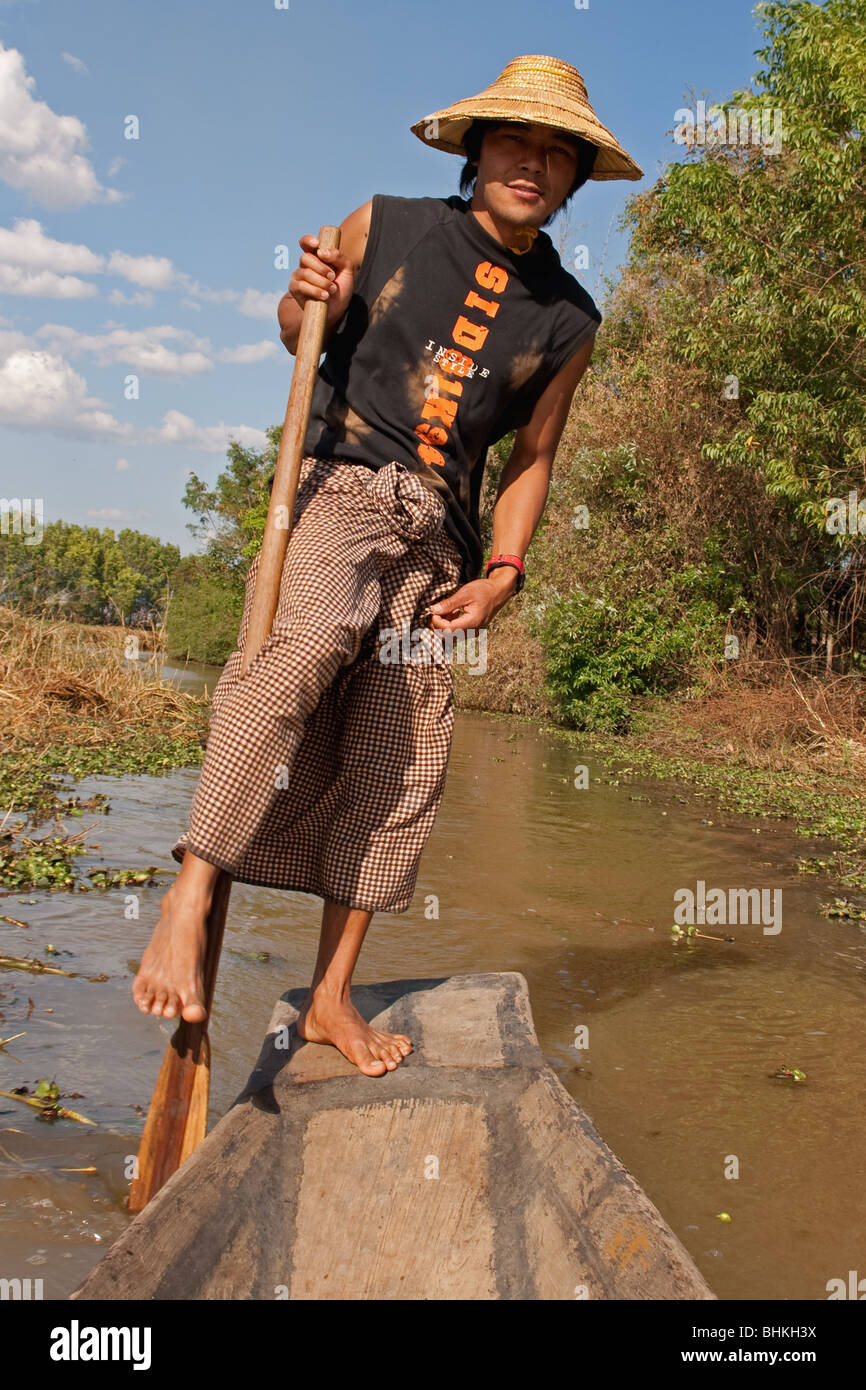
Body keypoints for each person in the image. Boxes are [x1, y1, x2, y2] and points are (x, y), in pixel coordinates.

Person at [132, 55, 642, 1076]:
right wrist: (299, 293)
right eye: (514, 142)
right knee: (296, 653)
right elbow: (301, 332)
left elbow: (531, 458)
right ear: (474, 149)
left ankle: (328, 997)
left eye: (556, 154)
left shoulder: (569, 317)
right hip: (339, 490)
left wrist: (503, 571)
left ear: (576, 179)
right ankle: (190, 890)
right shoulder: (389, 222)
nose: (532, 164)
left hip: (440, 543)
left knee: (401, 760)